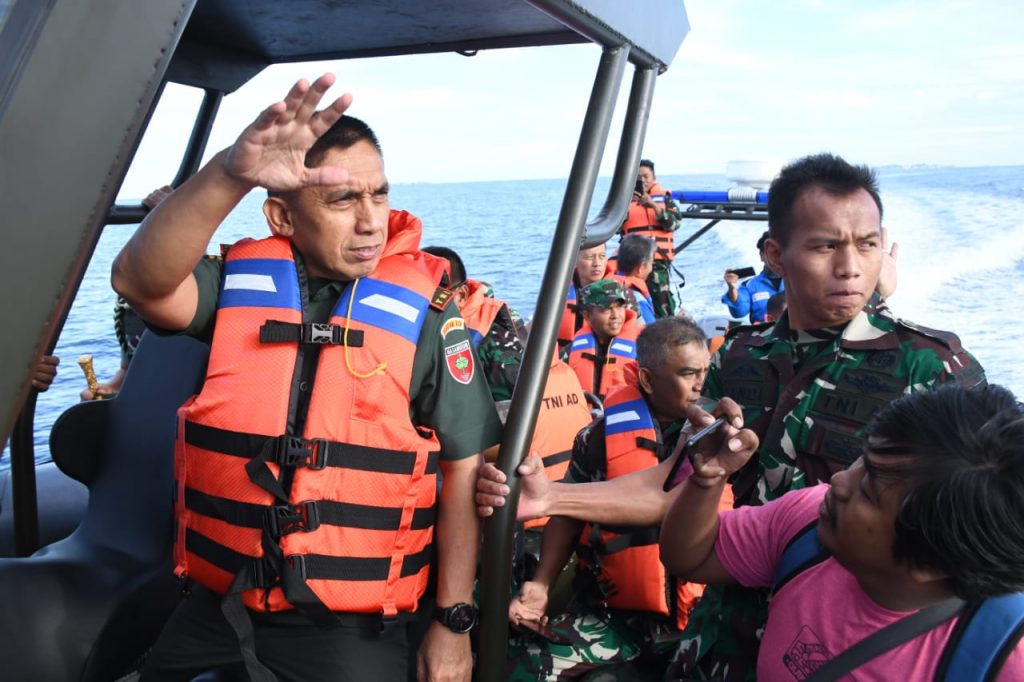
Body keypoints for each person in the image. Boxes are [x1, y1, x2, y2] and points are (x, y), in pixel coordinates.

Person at [479, 152, 986, 681]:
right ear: (775, 254)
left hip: (847, 647)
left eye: (868, 244)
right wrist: (554, 496)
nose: (851, 267)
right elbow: (676, 483)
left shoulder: (931, 368)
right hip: (726, 636)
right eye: (826, 246)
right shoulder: (738, 358)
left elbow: (984, 517)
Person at [111, 74, 500, 682]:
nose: (372, 221)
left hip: (347, 626)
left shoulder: (426, 318)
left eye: (379, 196)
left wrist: (452, 626)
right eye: (344, 201)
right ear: (282, 215)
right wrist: (230, 173)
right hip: (219, 605)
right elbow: (140, 281)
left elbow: (463, 474)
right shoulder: (237, 287)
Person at [660, 382, 1024, 680]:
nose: (839, 481)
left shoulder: (1003, 656)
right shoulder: (808, 522)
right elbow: (692, 556)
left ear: (930, 562)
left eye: (868, 492)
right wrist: (708, 480)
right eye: (864, 459)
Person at [506, 317, 733, 680]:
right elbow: (567, 514)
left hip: (702, 617)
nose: (700, 385)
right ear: (646, 379)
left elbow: (668, 504)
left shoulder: (720, 441)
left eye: (705, 371)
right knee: (517, 667)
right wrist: (542, 583)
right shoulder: (597, 439)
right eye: (688, 374)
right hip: (614, 616)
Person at [422, 245, 524, 402]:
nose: (424, 305)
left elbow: (512, 414)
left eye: (436, 298)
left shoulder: (495, 345)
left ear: (461, 296)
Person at [620, 159, 682, 318]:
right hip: (631, 266)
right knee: (632, 305)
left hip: (657, 264)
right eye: (638, 177)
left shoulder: (665, 200)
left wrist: (653, 206)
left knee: (663, 308)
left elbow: (674, 224)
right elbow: (614, 227)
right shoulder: (623, 202)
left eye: (646, 176)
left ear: (653, 177)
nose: (643, 180)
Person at [567, 279, 642, 400]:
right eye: (606, 309)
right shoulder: (570, 351)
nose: (615, 315)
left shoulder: (643, 346)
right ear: (587, 316)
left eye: (619, 307)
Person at [556, 243, 614, 353]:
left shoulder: (623, 294)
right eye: (589, 257)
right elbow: (533, 331)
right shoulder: (558, 293)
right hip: (564, 360)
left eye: (602, 256)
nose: (597, 263)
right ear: (574, 261)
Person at [721, 230, 783, 324]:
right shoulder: (749, 286)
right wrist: (732, 288)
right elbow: (739, 312)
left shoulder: (803, 281)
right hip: (765, 335)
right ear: (762, 256)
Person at [614, 233, 657, 325]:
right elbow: (654, 336)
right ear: (640, 268)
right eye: (651, 264)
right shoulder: (638, 301)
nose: (651, 268)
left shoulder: (610, 285)